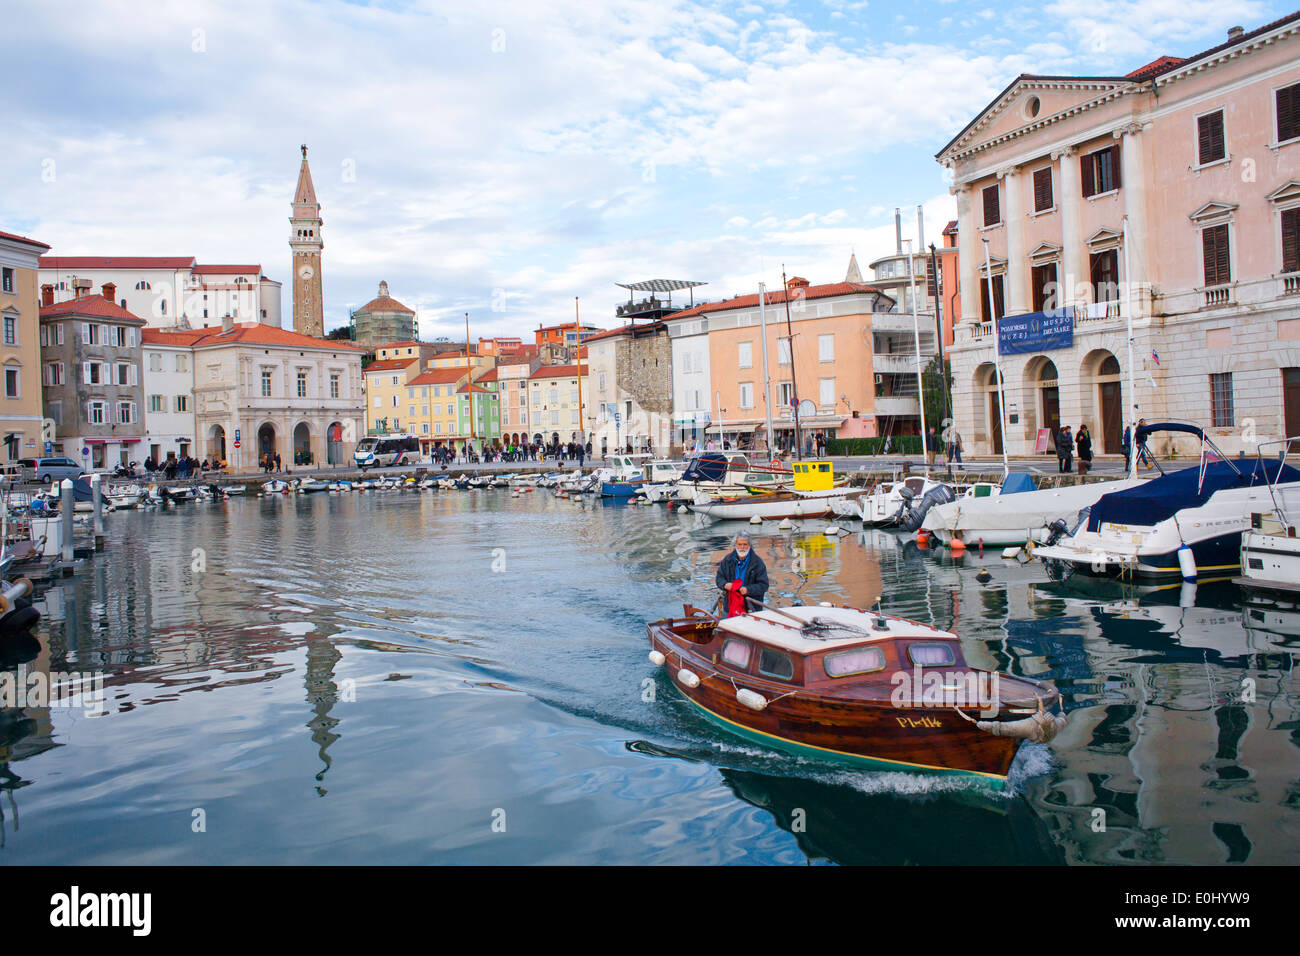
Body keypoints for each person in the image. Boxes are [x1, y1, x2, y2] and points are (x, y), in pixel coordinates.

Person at [715, 532, 769, 618]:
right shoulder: (727, 560)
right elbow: (719, 578)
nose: (742, 547)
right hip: (730, 605)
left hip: (751, 607)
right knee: (725, 628)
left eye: (745, 544)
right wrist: (725, 584)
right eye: (739, 544)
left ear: (749, 545)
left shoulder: (758, 563)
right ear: (735, 545)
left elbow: (764, 585)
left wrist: (748, 589)